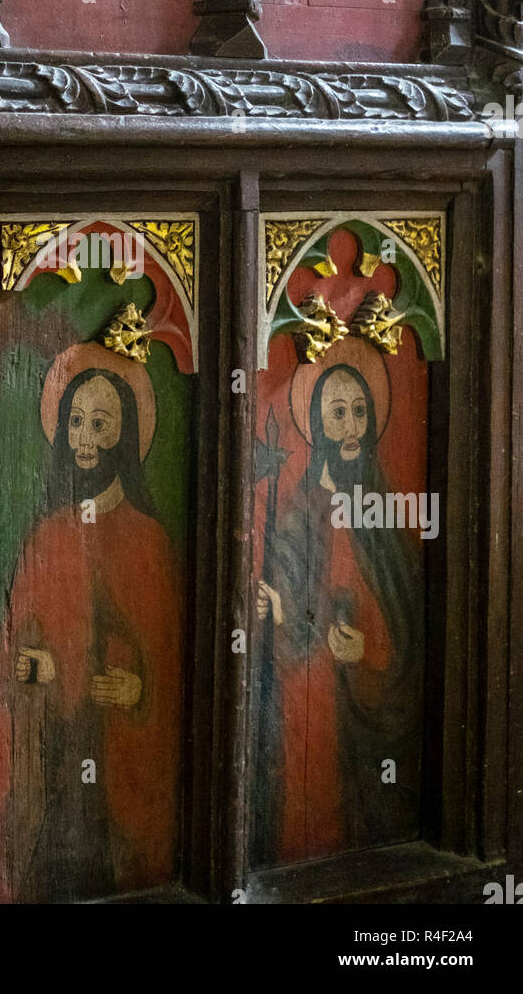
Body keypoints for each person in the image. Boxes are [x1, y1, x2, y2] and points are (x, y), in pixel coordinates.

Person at [0, 344, 182, 903]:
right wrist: (34, 665)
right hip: (55, 758)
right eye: (75, 421)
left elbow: (170, 661)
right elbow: (12, 650)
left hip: (121, 759)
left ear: (125, 435)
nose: (85, 437)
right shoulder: (44, 535)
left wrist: (139, 688)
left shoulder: (150, 540)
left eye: (101, 423)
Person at [255, 355, 422, 864]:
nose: (350, 428)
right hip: (312, 703)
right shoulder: (297, 510)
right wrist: (282, 614)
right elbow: (284, 610)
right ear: (317, 425)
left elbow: (410, 622)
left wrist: (370, 652)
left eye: (358, 412)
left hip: (373, 714)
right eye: (336, 414)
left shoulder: (385, 512)